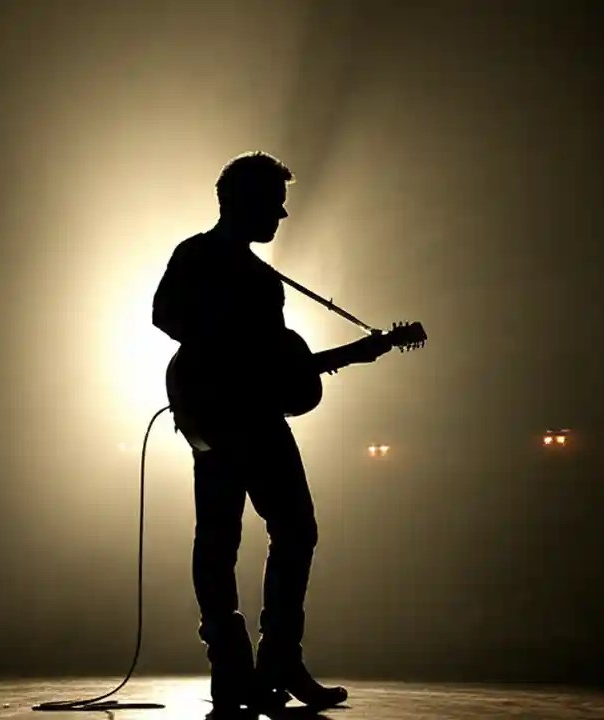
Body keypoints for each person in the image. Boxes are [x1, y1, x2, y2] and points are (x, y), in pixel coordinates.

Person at [152, 152, 350, 712]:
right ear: (245, 202)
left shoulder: (266, 281)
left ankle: (277, 661)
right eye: (275, 203)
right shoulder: (196, 255)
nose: (282, 215)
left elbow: (279, 366)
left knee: (292, 531)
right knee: (221, 540)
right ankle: (234, 666)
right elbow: (165, 314)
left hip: (254, 419)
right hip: (221, 417)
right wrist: (233, 348)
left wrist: (339, 357)